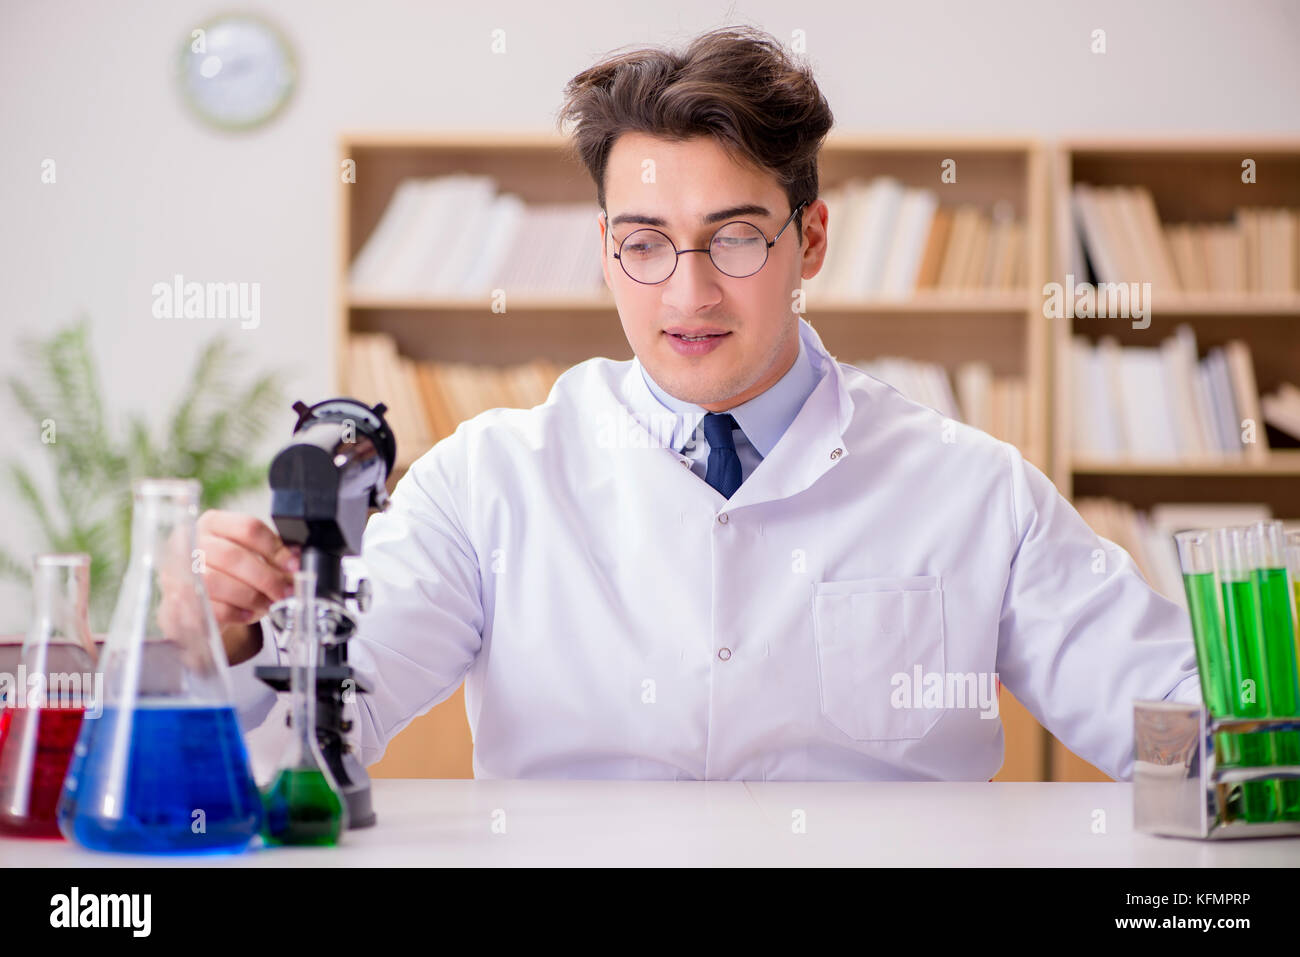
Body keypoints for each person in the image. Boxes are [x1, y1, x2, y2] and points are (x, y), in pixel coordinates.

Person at [204, 25, 1199, 782]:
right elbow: (307, 738)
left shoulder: (972, 489)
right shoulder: (488, 482)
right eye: (643, 242)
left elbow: (1179, 724)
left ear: (809, 240)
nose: (687, 295)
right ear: (604, 251)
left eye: (734, 238)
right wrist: (231, 633)